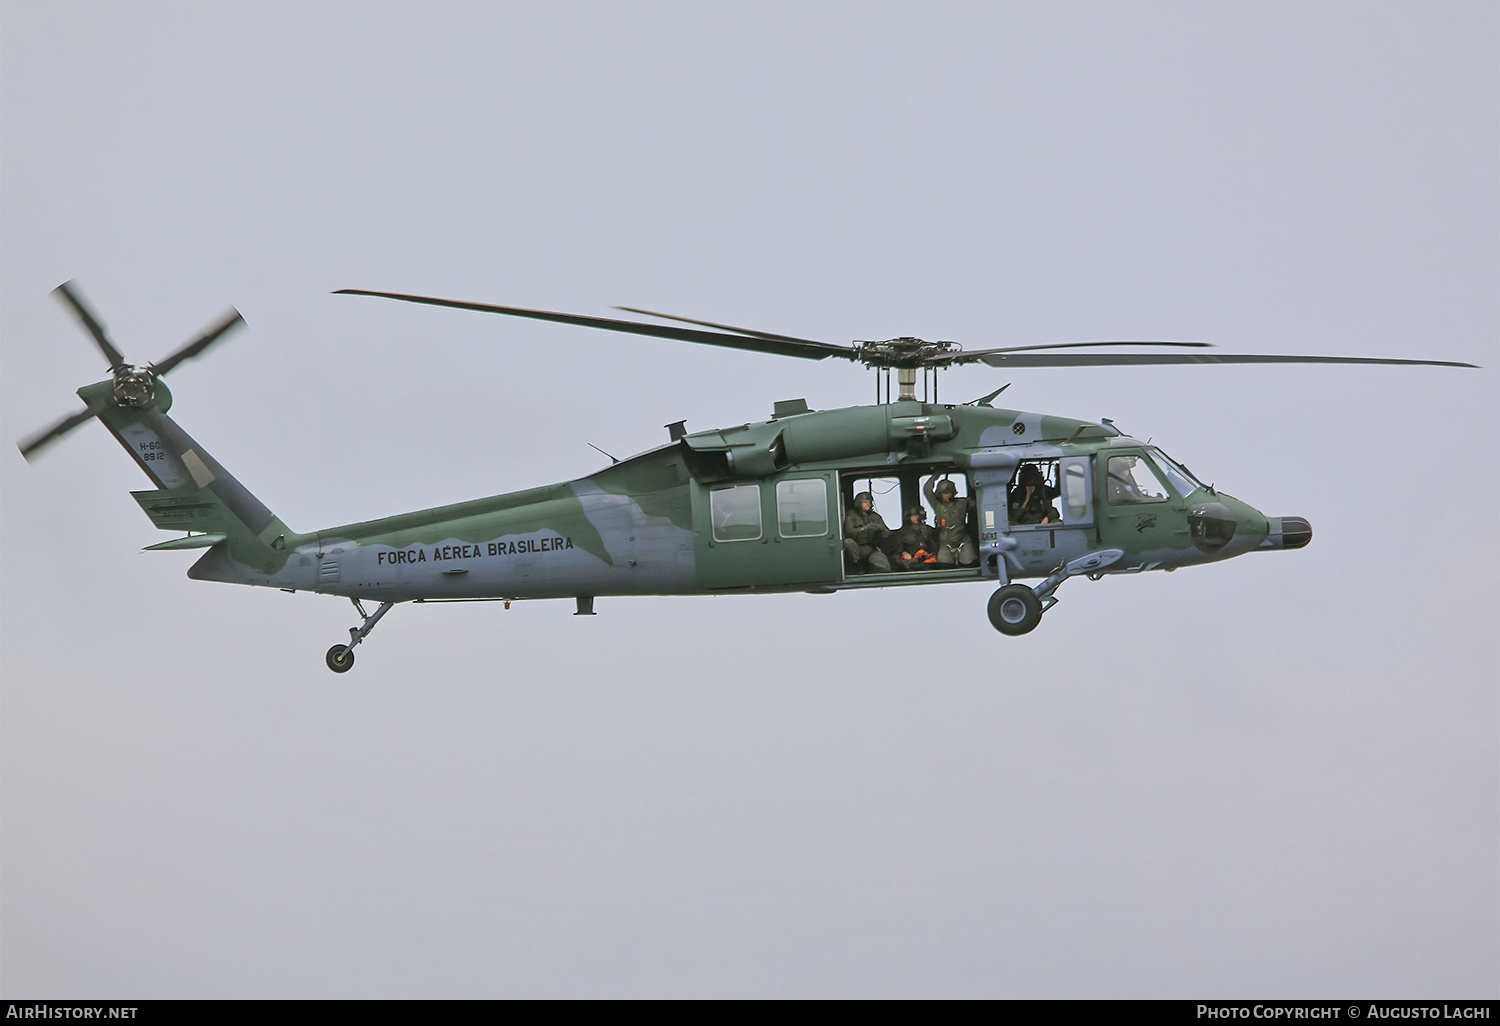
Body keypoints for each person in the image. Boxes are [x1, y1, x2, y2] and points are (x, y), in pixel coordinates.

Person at [923, 475, 977, 566]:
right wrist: (938, 472)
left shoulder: (962, 503)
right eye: (944, 493)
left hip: (963, 540)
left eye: (950, 492)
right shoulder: (937, 506)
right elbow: (927, 489)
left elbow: (979, 502)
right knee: (944, 563)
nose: (948, 495)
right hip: (945, 543)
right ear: (939, 494)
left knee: (969, 562)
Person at [843, 490, 891, 573]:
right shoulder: (851, 516)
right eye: (865, 502)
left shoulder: (875, 517)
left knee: (881, 565)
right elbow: (849, 532)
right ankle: (856, 565)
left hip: (871, 548)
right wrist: (863, 529)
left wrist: (880, 529)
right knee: (848, 542)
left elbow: (887, 533)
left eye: (869, 502)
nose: (868, 504)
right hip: (857, 547)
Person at [892, 505, 937, 570]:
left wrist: (933, 554)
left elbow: (935, 544)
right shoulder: (902, 532)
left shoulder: (928, 530)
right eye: (914, 515)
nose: (917, 517)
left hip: (926, 558)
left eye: (919, 515)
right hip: (910, 559)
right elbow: (897, 548)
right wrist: (903, 553)